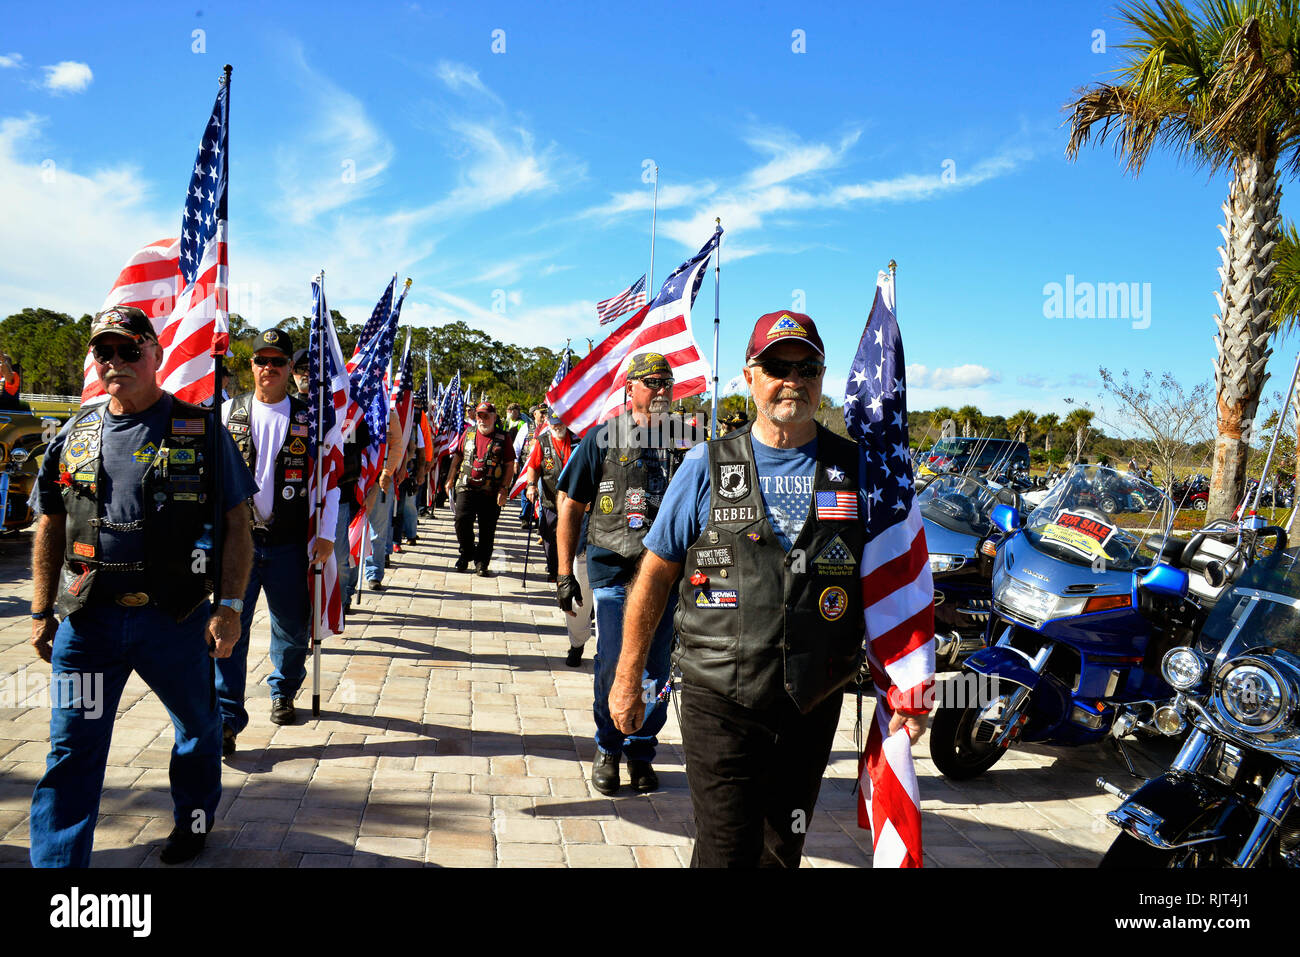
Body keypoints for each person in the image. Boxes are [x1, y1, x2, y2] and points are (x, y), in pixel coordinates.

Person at [609, 311, 929, 867]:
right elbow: (656, 574)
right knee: (725, 849)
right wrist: (626, 677)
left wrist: (907, 686)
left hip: (811, 701)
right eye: (777, 366)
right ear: (750, 376)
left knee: (783, 850)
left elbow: (894, 582)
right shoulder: (705, 465)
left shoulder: (859, 473)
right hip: (719, 696)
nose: (793, 380)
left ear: (822, 378)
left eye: (807, 367)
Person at [28, 306, 256, 866]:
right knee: (71, 749)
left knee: (199, 731)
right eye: (103, 352)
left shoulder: (202, 430)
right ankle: (59, 868)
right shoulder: (74, 432)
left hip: (174, 618)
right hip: (88, 621)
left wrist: (229, 607)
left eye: (129, 350)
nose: (115, 362)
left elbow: (237, 524)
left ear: (156, 353)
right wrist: (40, 609)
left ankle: (194, 823)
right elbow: (49, 523)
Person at [554, 352, 687, 795]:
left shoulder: (686, 441)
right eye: (651, 382)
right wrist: (564, 572)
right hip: (613, 570)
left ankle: (642, 749)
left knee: (656, 670)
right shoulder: (601, 439)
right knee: (614, 662)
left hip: (667, 577)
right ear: (630, 389)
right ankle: (608, 745)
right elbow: (570, 504)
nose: (662, 390)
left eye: (667, 382)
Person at [219, 328, 338, 749]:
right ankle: (226, 716)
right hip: (239, 544)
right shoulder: (227, 411)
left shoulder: (313, 417)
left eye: (278, 361)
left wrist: (326, 535)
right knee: (230, 626)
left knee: (291, 626)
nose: (268, 368)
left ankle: (283, 692)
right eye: (261, 360)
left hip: (289, 542)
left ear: (291, 368)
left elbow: (329, 480)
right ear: (250, 366)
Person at [446, 400, 516, 576]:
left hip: (491, 490)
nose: (482, 420)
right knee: (461, 519)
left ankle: (482, 562)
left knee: (487, 528)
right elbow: (457, 456)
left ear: (494, 417)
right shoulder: (468, 433)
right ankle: (466, 552)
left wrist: (504, 489)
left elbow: (509, 464)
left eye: (486, 416)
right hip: (466, 485)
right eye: (479, 416)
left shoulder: (503, 437)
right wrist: (449, 478)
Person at [523, 410, 576, 585]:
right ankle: (554, 570)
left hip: (573, 500)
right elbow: (534, 466)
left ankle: (567, 571)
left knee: (572, 536)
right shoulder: (542, 441)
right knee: (549, 537)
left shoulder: (577, 440)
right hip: (550, 498)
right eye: (554, 422)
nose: (557, 426)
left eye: (560, 422)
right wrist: (531, 485)